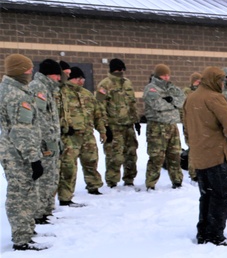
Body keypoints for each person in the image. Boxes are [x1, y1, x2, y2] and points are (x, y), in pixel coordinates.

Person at [183, 66, 227, 245]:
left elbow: (186, 127)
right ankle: (216, 236)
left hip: (199, 155)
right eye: (221, 80)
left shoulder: (191, 98)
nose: (223, 84)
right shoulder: (215, 98)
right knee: (220, 195)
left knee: (206, 195)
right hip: (216, 155)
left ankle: (203, 233)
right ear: (214, 80)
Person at [1, 54, 47, 250]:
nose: (31, 72)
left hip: (14, 150)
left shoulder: (12, 90)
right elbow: (22, 130)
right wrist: (34, 159)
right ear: (20, 70)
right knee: (20, 194)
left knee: (26, 191)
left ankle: (27, 231)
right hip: (18, 153)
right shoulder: (16, 95)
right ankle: (21, 239)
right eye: (28, 68)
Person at [58, 66, 107, 206]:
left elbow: (97, 114)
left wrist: (102, 130)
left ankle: (94, 186)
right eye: (78, 78)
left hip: (87, 134)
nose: (81, 81)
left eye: (82, 78)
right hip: (70, 136)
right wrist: (63, 127)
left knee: (91, 161)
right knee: (69, 167)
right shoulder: (62, 93)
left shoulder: (87, 94)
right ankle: (65, 196)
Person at [96, 58, 139, 188]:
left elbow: (132, 103)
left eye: (121, 69)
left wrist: (136, 121)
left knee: (131, 153)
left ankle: (129, 179)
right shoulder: (105, 85)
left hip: (128, 125)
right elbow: (100, 107)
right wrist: (105, 127)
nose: (120, 72)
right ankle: (112, 182)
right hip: (114, 126)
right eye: (118, 69)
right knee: (115, 156)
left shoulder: (127, 83)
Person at [29, 59, 63, 223]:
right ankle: (39, 213)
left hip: (51, 141)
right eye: (57, 75)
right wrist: (49, 140)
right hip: (43, 143)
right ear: (50, 74)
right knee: (44, 179)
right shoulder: (38, 88)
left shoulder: (48, 89)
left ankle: (46, 210)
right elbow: (40, 118)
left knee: (51, 177)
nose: (59, 79)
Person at [142, 64, 186, 190]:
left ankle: (177, 181)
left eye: (168, 75)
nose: (166, 77)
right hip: (157, 127)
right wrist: (173, 104)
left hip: (172, 125)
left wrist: (170, 100)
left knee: (175, 155)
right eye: (163, 75)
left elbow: (182, 100)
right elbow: (158, 105)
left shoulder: (172, 87)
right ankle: (151, 184)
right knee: (157, 157)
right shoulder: (151, 89)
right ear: (157, 76)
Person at [182, 72, 201, 182]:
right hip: (189, 125)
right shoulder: (186, 92)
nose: (198, 83)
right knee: (193, 149)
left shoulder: (203, 92)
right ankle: (193, 173)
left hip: (201, 125)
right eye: (196, 81)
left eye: (200, 81)